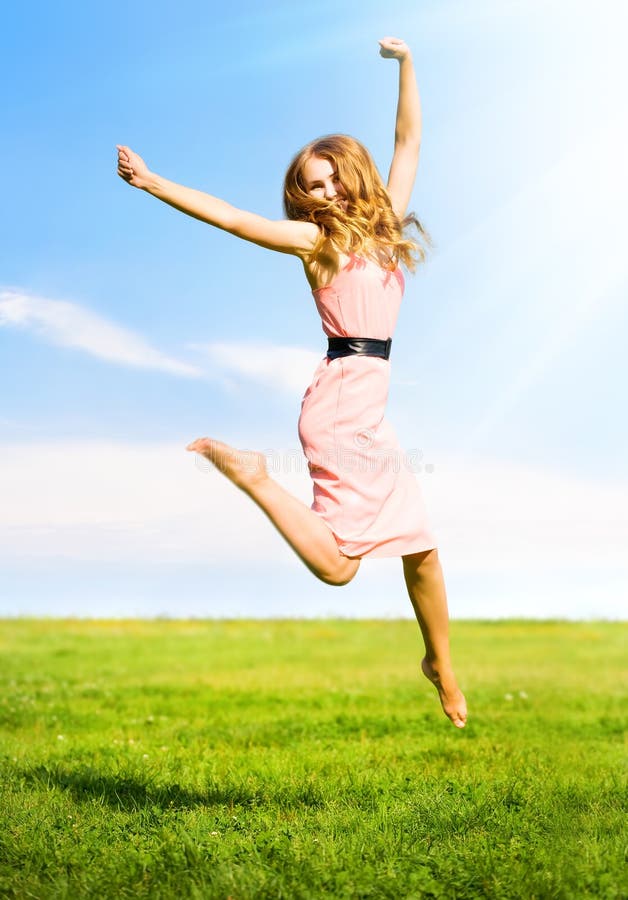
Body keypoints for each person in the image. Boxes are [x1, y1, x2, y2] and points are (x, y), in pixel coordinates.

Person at [116, 37, 467, 728]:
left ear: (353, 176)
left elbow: (410, 139)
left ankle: (441, 664)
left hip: (368, 403)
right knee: (341, 567)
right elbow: (235, 219)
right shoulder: (318, 243)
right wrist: (154, 183)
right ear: (303, 200)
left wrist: (407, 64)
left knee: (421, 547)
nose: (327, 191)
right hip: (341, 407)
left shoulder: (385, 228)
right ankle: (254, 476)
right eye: (313, 185)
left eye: (333, 177)